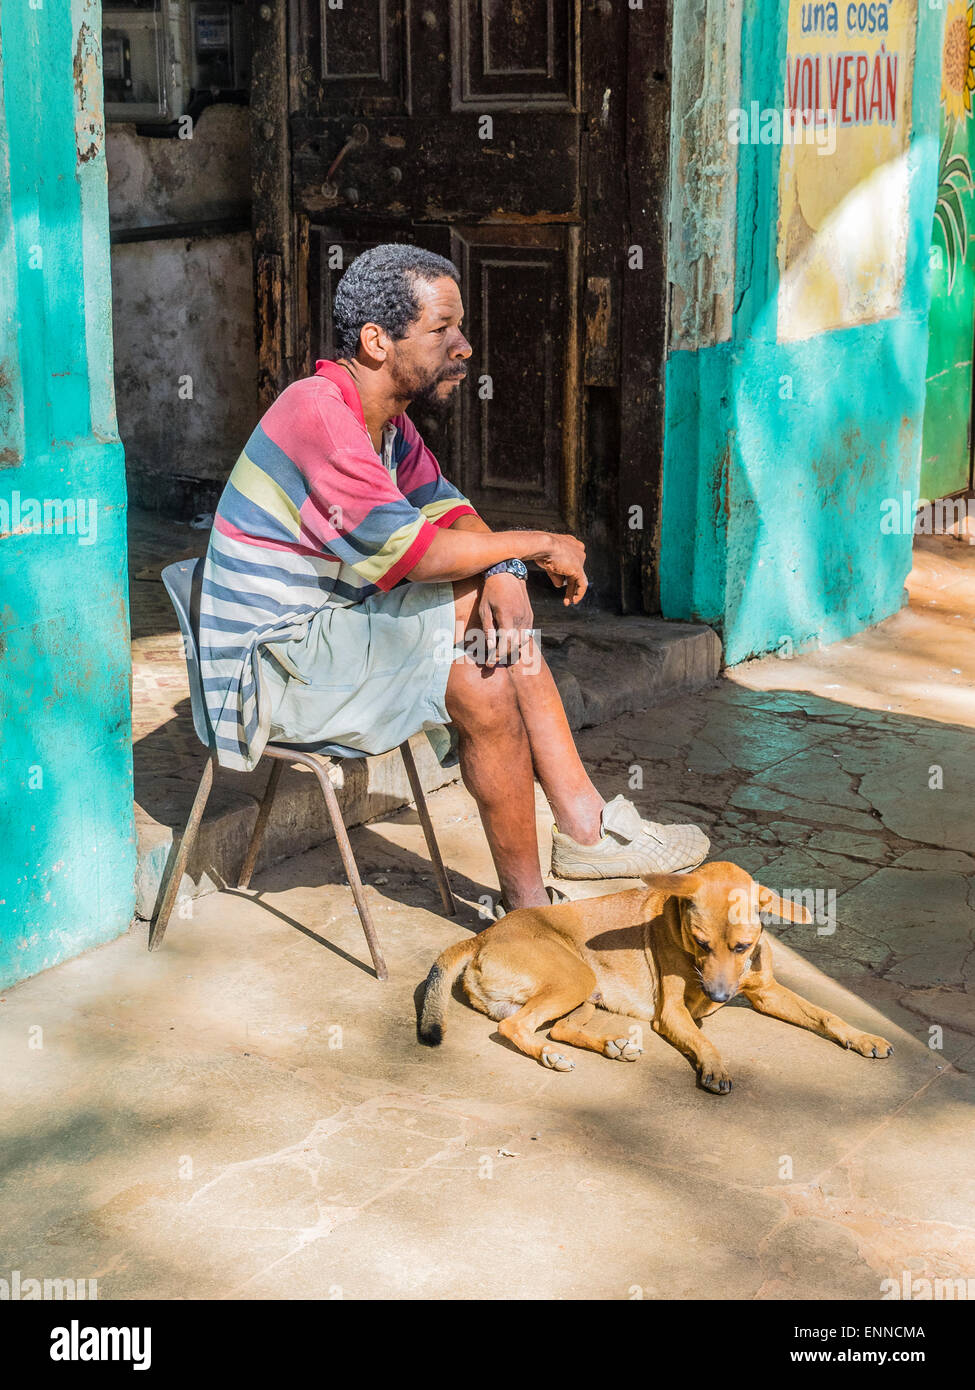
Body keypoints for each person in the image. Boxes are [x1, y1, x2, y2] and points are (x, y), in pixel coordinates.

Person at [200, 244, 708, 914]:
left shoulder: (388, 424)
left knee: (484, 683)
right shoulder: (316, 412)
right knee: (474, 608)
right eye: (442, 331)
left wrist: (499, 566)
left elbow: (450, 511)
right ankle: (581, 836)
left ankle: (539, 898)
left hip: (330, 648)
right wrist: (537, 547)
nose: (463, 347)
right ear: (377, 341)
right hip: (271, 676)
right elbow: (419, 554)